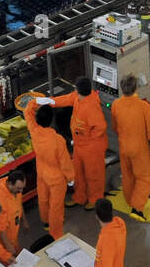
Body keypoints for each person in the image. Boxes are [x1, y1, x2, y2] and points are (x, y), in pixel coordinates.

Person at [42, 76, 107, 210]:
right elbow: (65, 99)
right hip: (80, 145)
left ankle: (95, 199)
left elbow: (100, 127)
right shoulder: (78, 98)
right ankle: (80, 196)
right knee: (78, 172)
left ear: (78, 90)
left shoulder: (91, 106)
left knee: (93, 174)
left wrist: (88, 138)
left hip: (91, 147)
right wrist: (48, 101)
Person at [111, 73, 150, 219]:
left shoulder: (116, 105)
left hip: (124, 147)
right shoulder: (144, 106)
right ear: (136, 87)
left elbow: (115, 126)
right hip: (139, 149)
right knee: (144, 176)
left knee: (128, 175)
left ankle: (130, 200)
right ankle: (137, 208)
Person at [28, 104, 75, 239]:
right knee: (56, 205)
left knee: (43, 198)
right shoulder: (57, 140)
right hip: (56, 177)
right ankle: (55, 233)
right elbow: (65, 162)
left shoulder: (34, 131)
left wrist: (32, 103)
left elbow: (28, 114)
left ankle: (46, 221)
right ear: (51, 120)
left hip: (41, 172)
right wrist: (71, 178)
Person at [0, 168, 29, 256]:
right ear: (10, 184)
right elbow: (0, 229)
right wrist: (8, 246)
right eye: (19, 188)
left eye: (22, 188)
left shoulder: (14, 187)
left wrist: (24, 221)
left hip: (13, 235)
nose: (21, 191)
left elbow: (19, 204)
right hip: (3, 241)